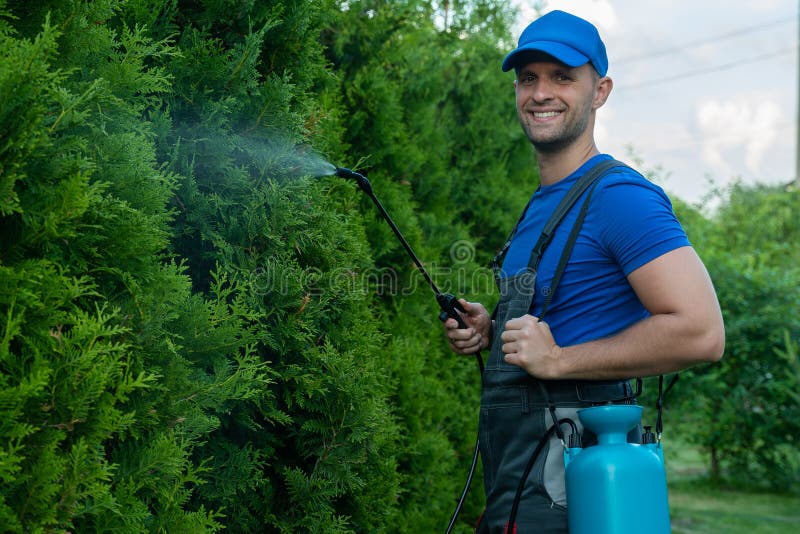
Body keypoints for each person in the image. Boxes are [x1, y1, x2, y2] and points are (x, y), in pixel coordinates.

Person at [443, 10, 725, 533]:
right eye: (528, 78)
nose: (540, 93)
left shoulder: (619, 198)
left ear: (600, 91)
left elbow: (701, 332)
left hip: (575, 485)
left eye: (562, 76)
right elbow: (567, 313)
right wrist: (493, 329)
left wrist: (560, 359)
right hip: (517, 479)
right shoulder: (542, 205)